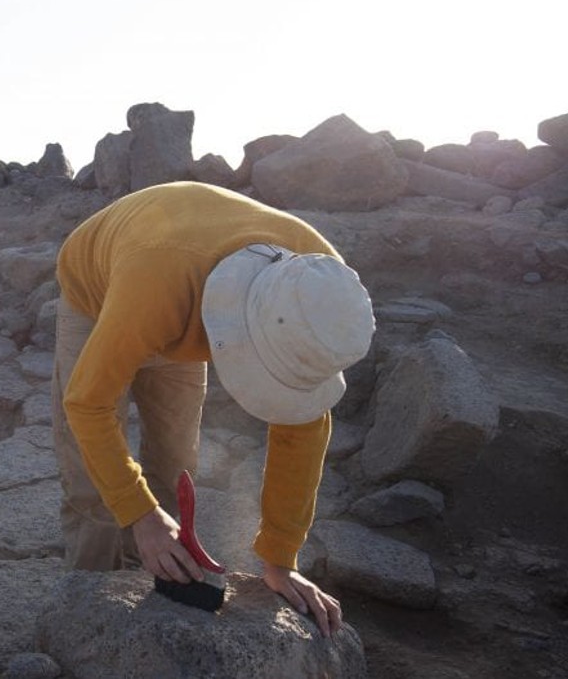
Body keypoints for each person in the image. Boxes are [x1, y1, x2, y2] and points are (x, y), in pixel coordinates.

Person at [51, 181, 375, 637]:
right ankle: (85, 615)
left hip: (178, 286)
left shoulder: (323, 290)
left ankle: (157, 572)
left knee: (176, 456)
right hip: (103, 289)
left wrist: (281, 560)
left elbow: (302, 427)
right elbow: (88, 404)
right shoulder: (157, 281)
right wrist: (140, 514)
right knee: (92, 483)